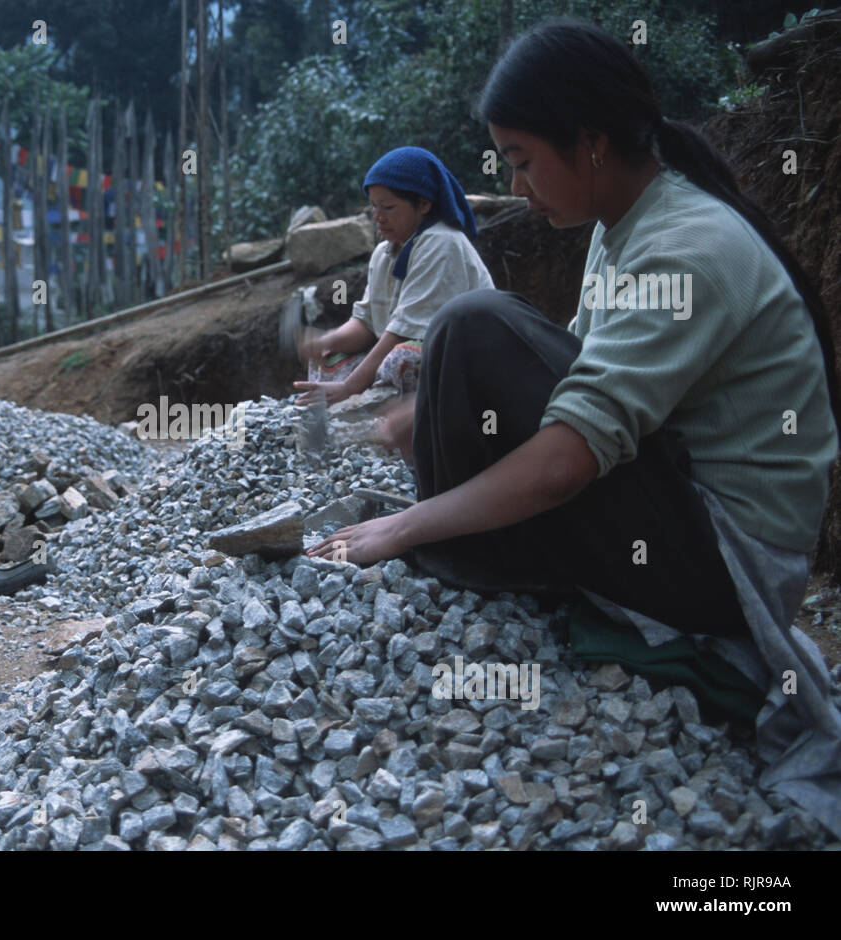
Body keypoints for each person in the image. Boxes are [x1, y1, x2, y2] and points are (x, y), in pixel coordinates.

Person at [308, 18, 841, 839]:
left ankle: (460, 550)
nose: (516, 188)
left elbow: (567, 460)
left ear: (590, 144)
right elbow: (582, 373)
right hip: (677, 515)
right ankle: (467, 548)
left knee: (473, 325)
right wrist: (427, 414)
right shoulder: (620, 228)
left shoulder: (686, 248)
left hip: (723, 567)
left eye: (521, 161)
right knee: (461, 347)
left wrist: (403, 524)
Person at [292, 147, 493, 411]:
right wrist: (326, 341)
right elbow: (366, 322)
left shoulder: (441, 243)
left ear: (423, 204)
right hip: (404, 344)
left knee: (403, 358)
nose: (377, 216)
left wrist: (350, 387)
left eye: (387, 207)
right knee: (328, 359)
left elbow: (401, 333)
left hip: (466, 360)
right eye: (373, 206)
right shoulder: (384, 253)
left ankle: (404, 415)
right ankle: (357, 407)